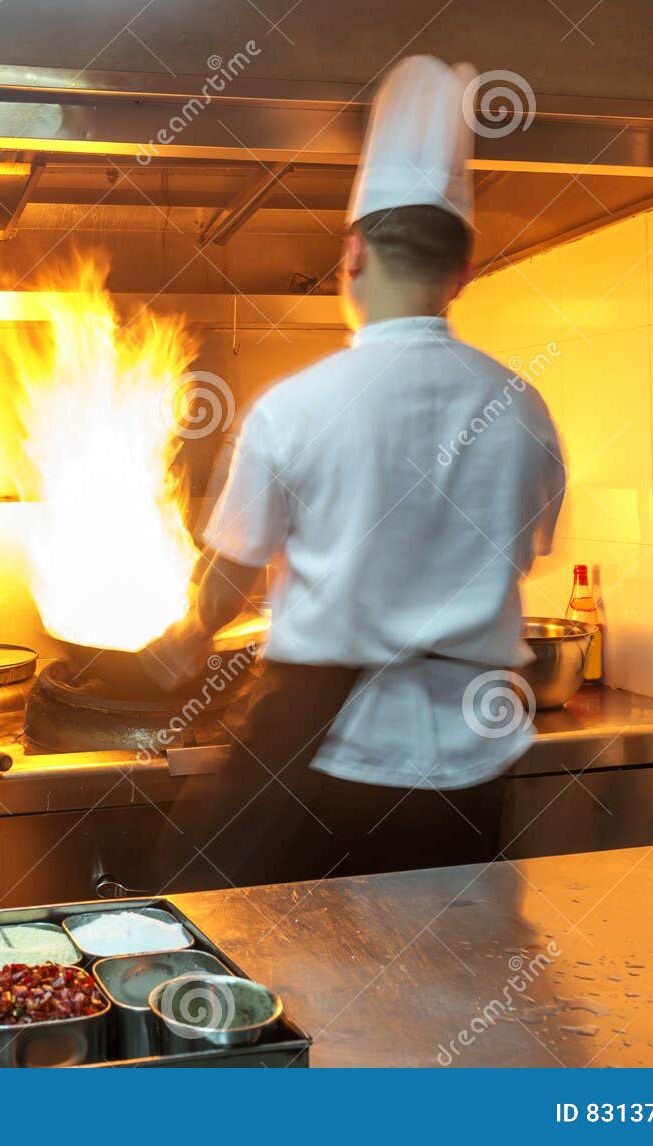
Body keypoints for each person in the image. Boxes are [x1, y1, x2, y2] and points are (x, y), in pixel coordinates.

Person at [141, 55, 566, 889]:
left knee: (285, 963)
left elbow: (228, 586)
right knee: (449, 983)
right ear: (463, 276)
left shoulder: (298, 406)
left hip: (329, 757)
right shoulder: (523, 409)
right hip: (470, 765)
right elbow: (522, 549)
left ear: (352, 254)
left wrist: (183, 641)